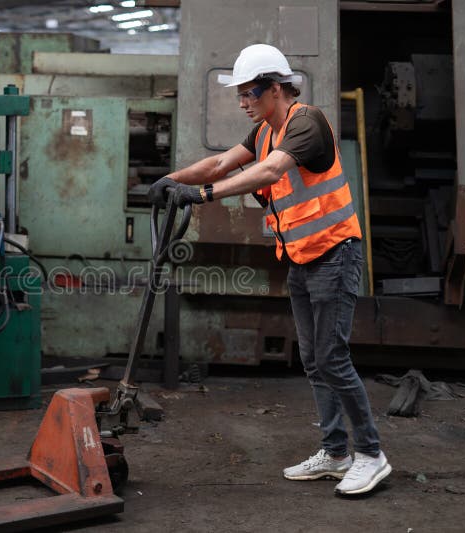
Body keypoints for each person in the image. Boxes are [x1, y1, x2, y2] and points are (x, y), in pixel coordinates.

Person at [148, 44, 391, 496]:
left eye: (249, 93)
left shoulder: (306, 123)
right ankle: (336, 453)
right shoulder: (263, 131)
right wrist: (173, 180)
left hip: (336, 253)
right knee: (315, 361)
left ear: (275, 88)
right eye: (240, 94)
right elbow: (221, 163)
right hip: (301, 256)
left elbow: (269, 172)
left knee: (333, 359)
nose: (242, 102)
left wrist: (201, 197)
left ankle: (371, 455)